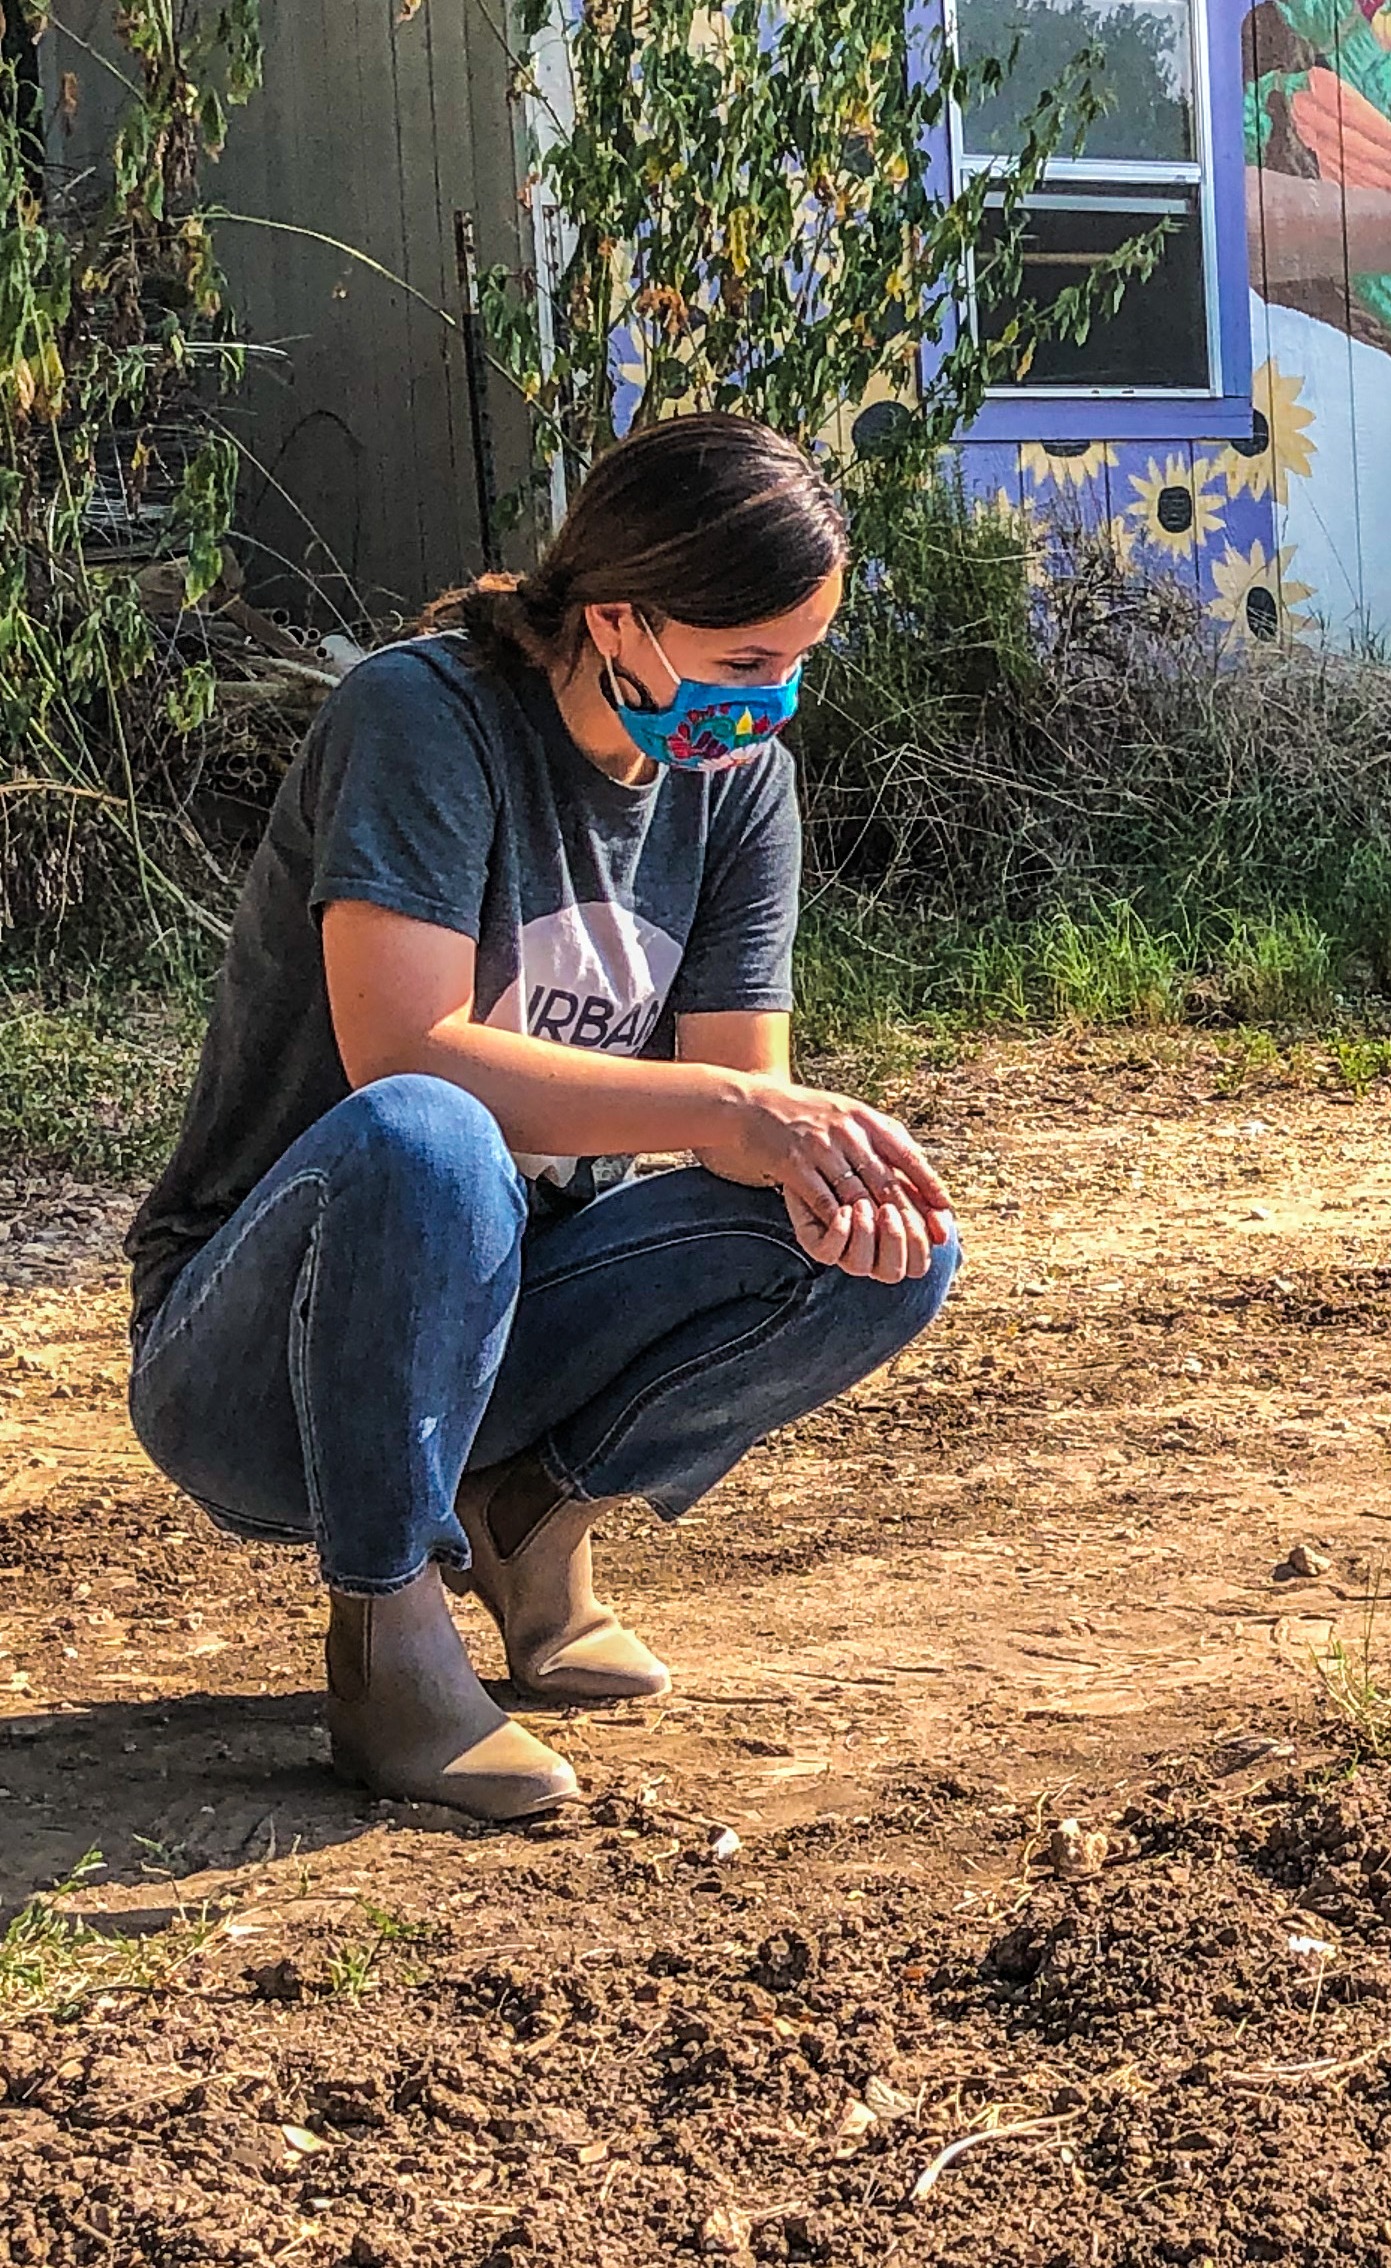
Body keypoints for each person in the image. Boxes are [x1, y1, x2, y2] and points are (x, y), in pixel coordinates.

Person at [122, 413, 960, 1823]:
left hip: (497, 1324)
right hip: (264, 1365)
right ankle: (387, 1647)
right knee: (429, 1134)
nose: (774, 705)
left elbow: (738, 1106)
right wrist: (734, 1108)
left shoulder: (735, 783)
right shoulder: (421, 717)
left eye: (800, 663)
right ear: (619, 618)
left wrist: (788, 1138)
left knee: (869, 1229)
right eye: (746, 664)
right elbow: (404, 1050)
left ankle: (531, 1526)